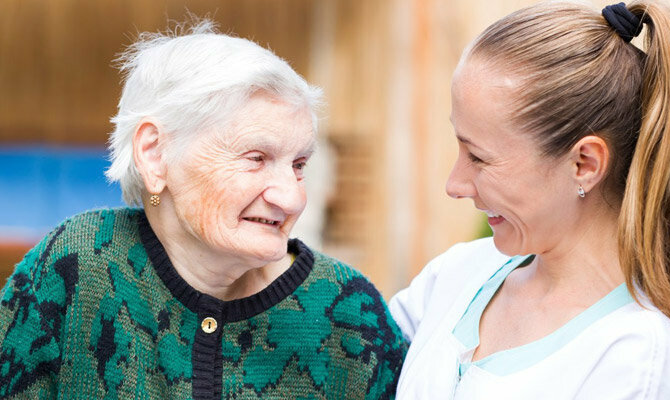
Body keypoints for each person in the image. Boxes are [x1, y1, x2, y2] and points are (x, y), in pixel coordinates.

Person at [0, 21, 407, 399]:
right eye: (256, 158)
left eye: (299, 165)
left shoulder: (351, 315)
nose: (292, 198)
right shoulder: (77, 265)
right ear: (155, 154)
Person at [390, 1, 670, 399]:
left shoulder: (637, 359)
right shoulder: (456, 275)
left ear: (584, 164)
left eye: (479, 158)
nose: (455, 184)